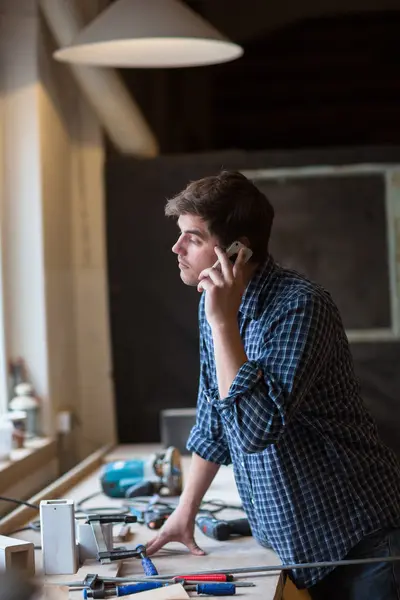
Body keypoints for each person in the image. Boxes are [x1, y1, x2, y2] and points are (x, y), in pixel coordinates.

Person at [146, 170, 400, 599]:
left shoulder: (299, 307)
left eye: (192, 236)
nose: (176, 248)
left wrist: (223, 323)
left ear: (235, 250)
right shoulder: (215, 307)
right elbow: (215, 422)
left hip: (362, 540)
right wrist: (184, 512)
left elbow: (254, 431)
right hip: (300, 545)